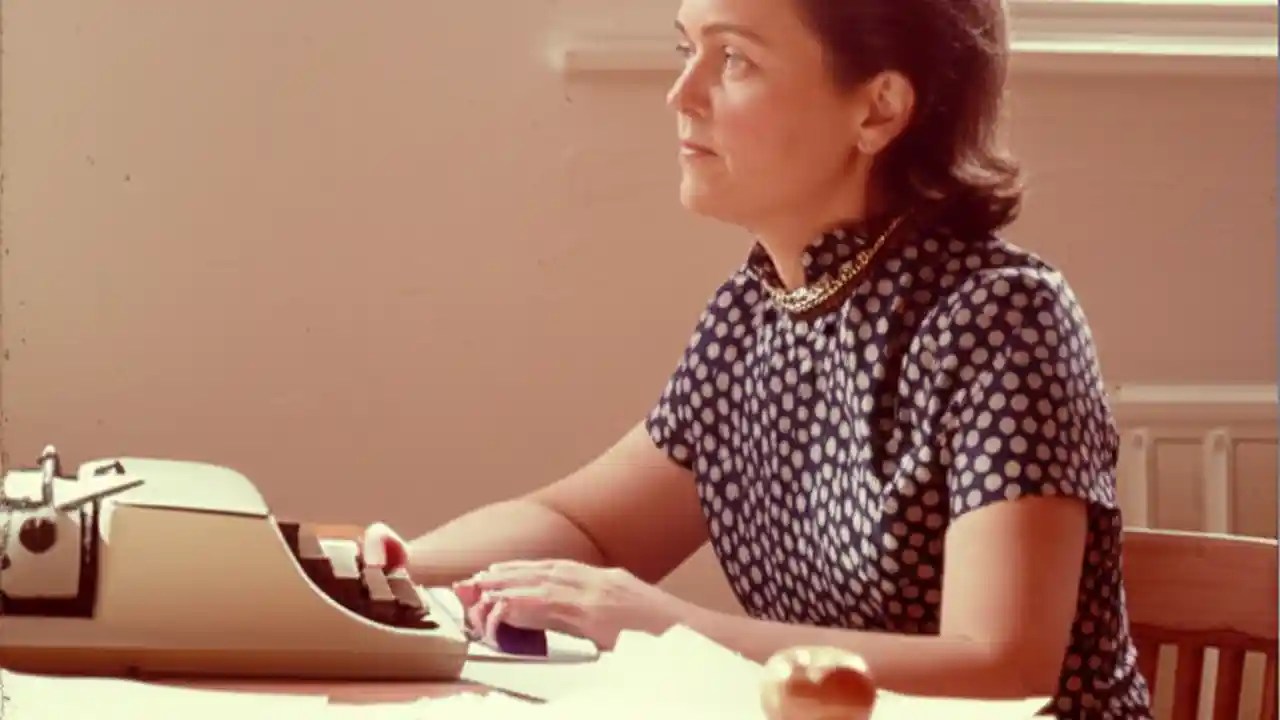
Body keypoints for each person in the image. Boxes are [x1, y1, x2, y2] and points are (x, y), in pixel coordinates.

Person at [361, 0, 1154, 716]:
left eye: (734, 59)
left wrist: (670, 628)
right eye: (687, 50)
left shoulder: (1004, 317)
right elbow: (587, 528)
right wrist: (394, 571)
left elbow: (1005, 670)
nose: (683, 94)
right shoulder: (758, 309)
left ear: (878, 108)